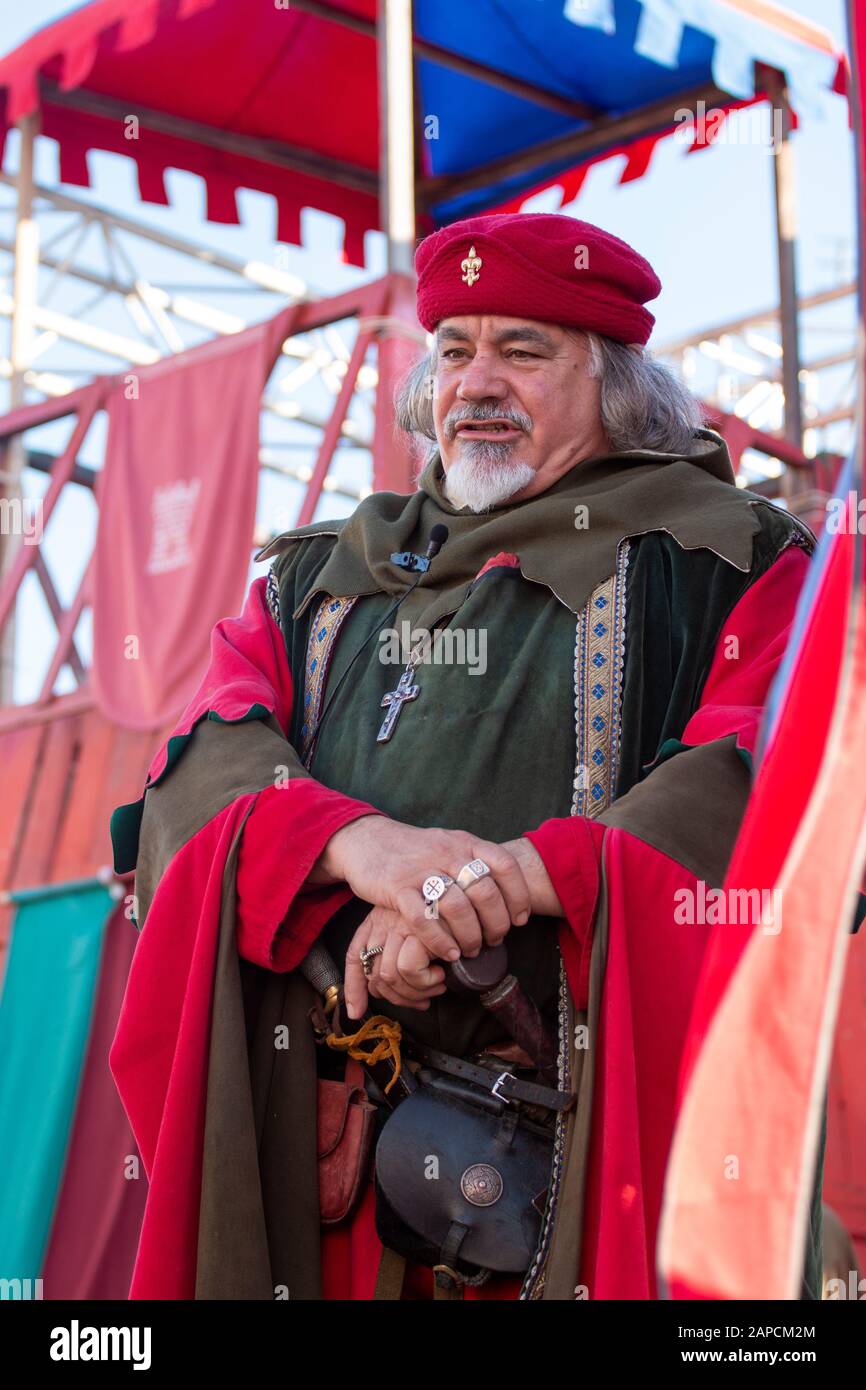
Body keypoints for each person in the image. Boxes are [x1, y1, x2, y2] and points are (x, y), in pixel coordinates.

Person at [110, 211, 823, 1301]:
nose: (474, 384)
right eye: (452, 351)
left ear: (617, 385)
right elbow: (204, 762)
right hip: (339, 1173)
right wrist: (362, 854)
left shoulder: (727, 557)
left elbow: (779, 764)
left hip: (574, 1165)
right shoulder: (317, 576)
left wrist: (515, 881)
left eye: (522, 351)